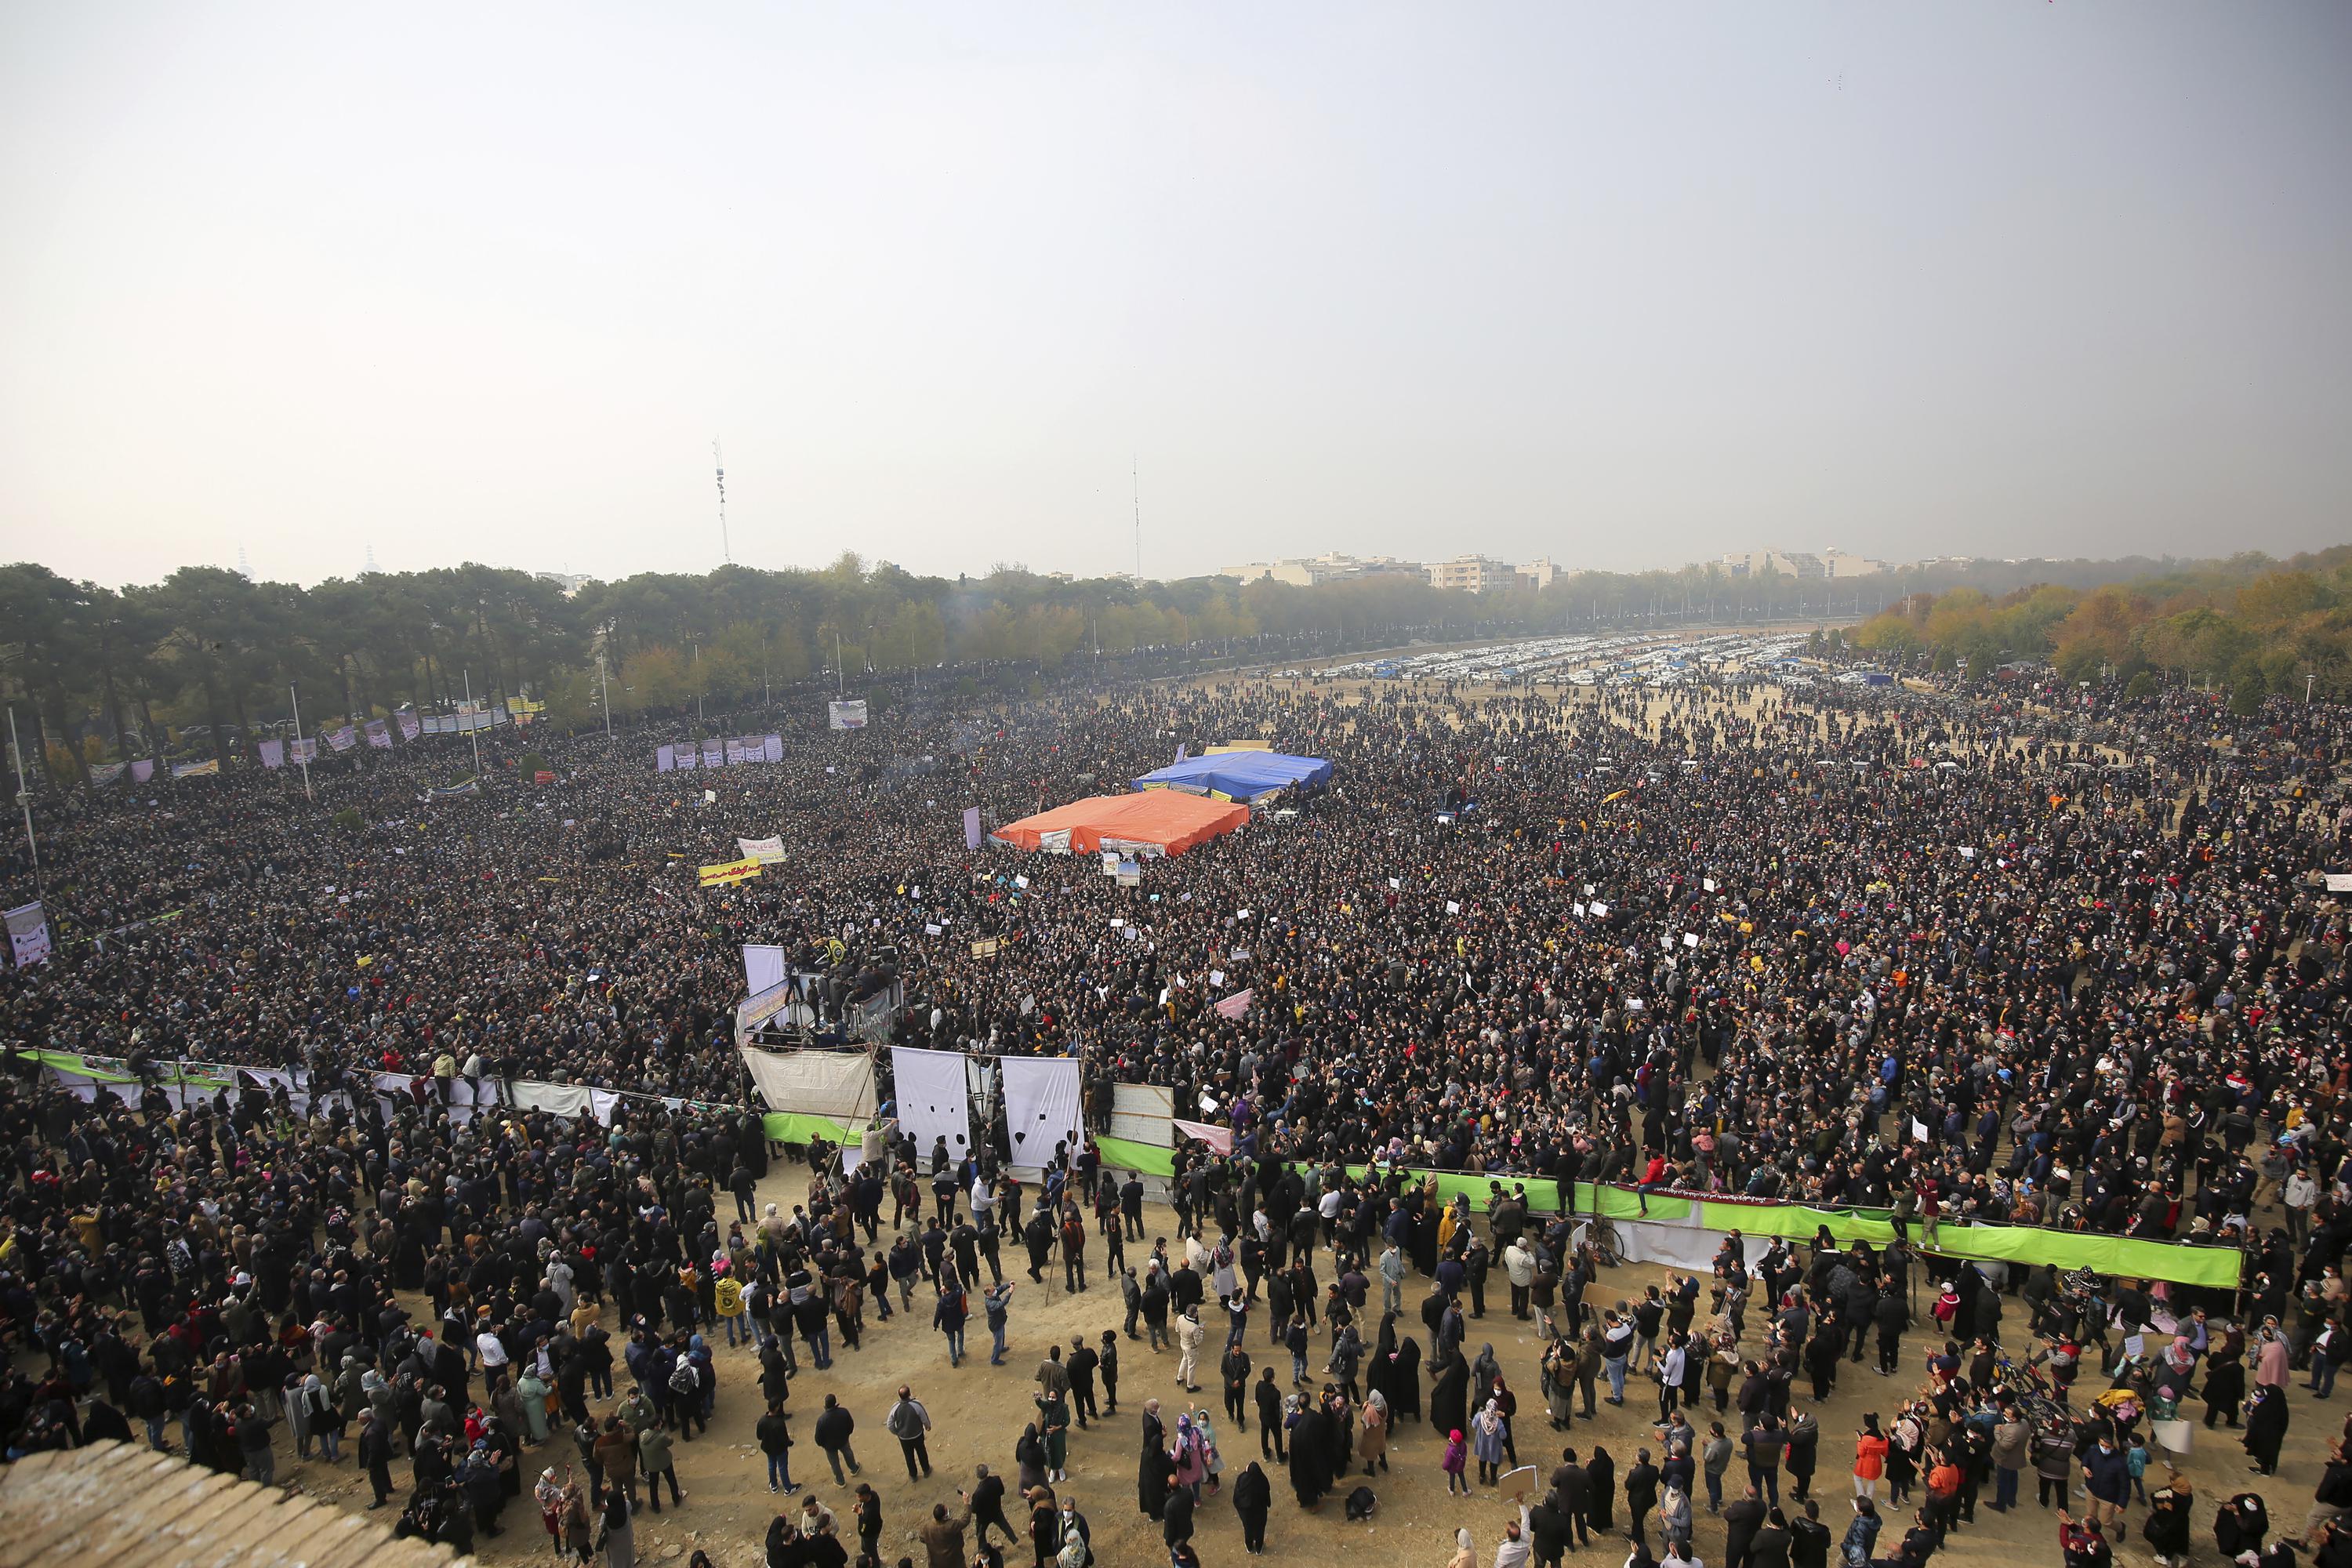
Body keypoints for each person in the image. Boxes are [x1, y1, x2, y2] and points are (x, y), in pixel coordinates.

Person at [815, 1394, 861, 1485]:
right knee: (848, 1453)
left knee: (834, 1463)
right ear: (835, 1403)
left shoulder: (822, 1420)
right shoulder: (843, 1412)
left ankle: (840, 1481)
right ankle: (854, 1469)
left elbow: (818, 1438)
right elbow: (850, 1425)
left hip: (829, 1446)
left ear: (825, 1405)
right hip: (843, 1440)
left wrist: (823, 1445)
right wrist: (847, 1434)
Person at [757, 1400, 799, 1494]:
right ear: (777, 1407)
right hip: (780, 1450)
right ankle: (788, 1488)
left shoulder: (762, 1420)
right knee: (782, 1468)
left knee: (771, 1466)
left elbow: (759, 1436)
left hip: (768, 1448)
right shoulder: (779, 1423)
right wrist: (790, 1443)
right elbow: (784, 1439)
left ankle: (774, 1485)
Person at [1233, 1457, 1272, 1554]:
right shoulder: (1262, 1480)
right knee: (1260, 1531)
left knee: (1248, 1530)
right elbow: (1267, 1495)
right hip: (1260, 1513)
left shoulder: (1242, 1480)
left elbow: (1236, 1497)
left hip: (1246, 1514)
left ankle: (1249, 1547)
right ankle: (1259, 1549)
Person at [1850, 1416, 1885, 1502]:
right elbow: (1885, 1451)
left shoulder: (1865, 1439)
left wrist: (1860, 1440)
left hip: (1864, 1462)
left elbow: (1861, 1453)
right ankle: (1869, 1499)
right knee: (1872, 1480)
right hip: (1876, 1462)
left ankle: (1861, 1499)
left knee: (1857, 1478)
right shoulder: (1882, 1439)